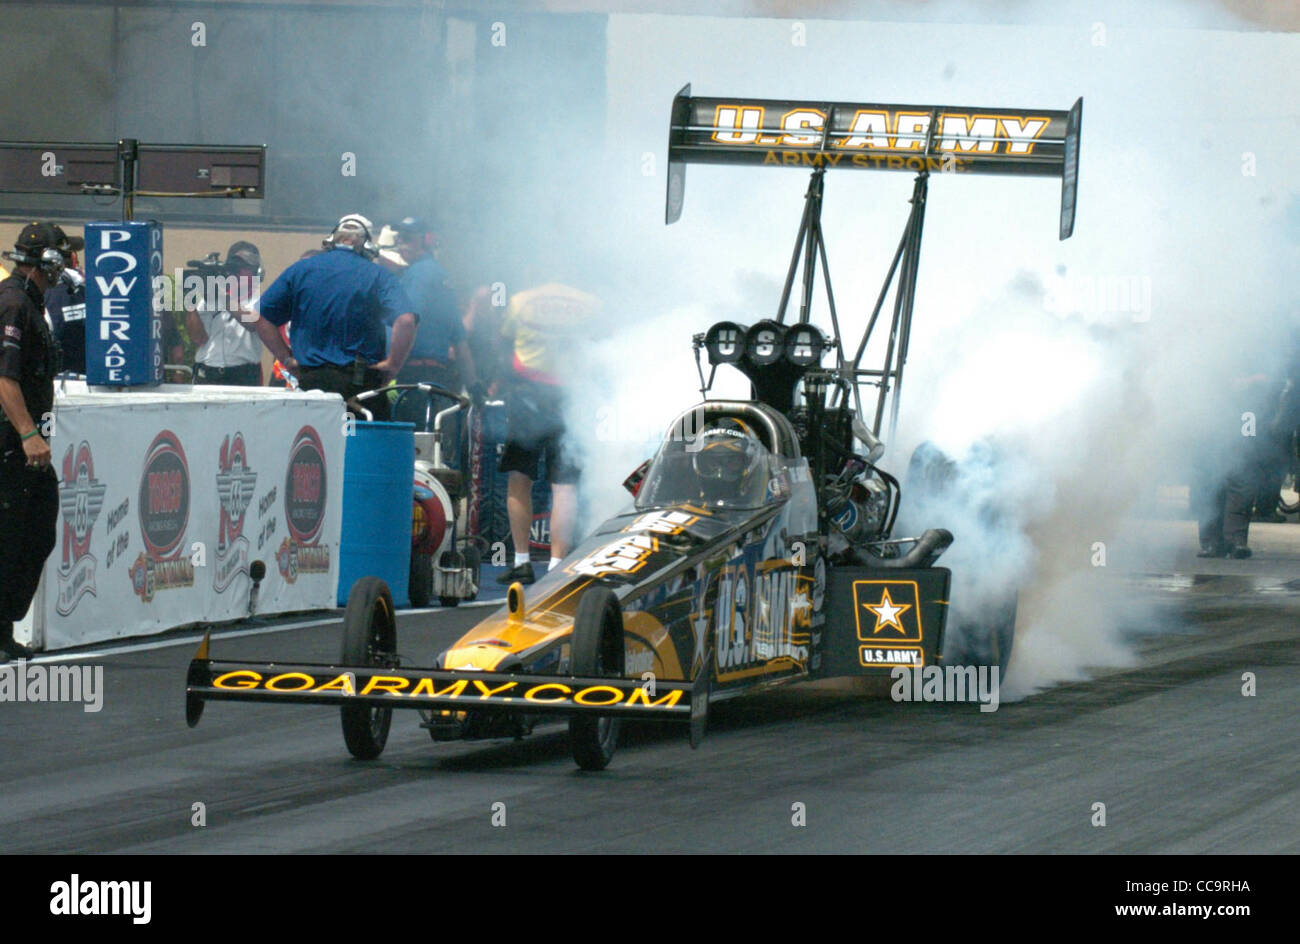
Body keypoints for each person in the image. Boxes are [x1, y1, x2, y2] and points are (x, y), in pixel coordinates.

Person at [249, 214, 417, 420]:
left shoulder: (300, 270)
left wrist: (287, 359)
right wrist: (393, 365)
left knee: (313, 447)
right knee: (360, 447)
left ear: (332, 239)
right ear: (366, 244)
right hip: (360, 387)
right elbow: (406, 321)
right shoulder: (379, 275)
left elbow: (260, 317)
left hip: (311, 384)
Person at [495, 278, 600, 585]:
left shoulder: (521, 299)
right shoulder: (590, 302)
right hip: (571, 394)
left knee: (519, 476)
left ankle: (522, 561)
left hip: (527, 392)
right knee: (564, 484)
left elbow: (502, 342)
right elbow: (602, 345)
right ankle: (556, 565)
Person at [0, 223, 64, 660]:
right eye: (62, 257)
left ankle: (3, 629)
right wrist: (27, 434)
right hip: (10, 443)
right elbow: (4, 378)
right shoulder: (14, 304)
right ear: (48, 262)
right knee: (10, 536)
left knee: (34, 531)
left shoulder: (27, 302)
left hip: (23, 443)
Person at [390, 217, 480, 396]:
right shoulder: (439, 275)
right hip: (436, 375)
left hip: (412, 376)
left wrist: (391, 367)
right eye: (398, 237)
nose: (400, 242)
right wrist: (474, 386)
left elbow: (406, 321)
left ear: (427, 240)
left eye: (407, 237)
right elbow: (460, 342)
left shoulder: (420, 273)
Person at [187, 241, 265, 386]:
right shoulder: (209, 300)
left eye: (244, 268)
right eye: (234, 267)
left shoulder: (260, 300)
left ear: (257, 272)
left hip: (243, 375)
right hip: (208, 372)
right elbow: (198, 339)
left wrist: (222, 296)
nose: (238, 272)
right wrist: (189, 302)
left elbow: (251, 322)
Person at [44, 225, 86, 376]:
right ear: (73, 259)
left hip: (56, 382)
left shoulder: (39, 294)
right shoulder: (96, 288)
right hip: (99, 380)